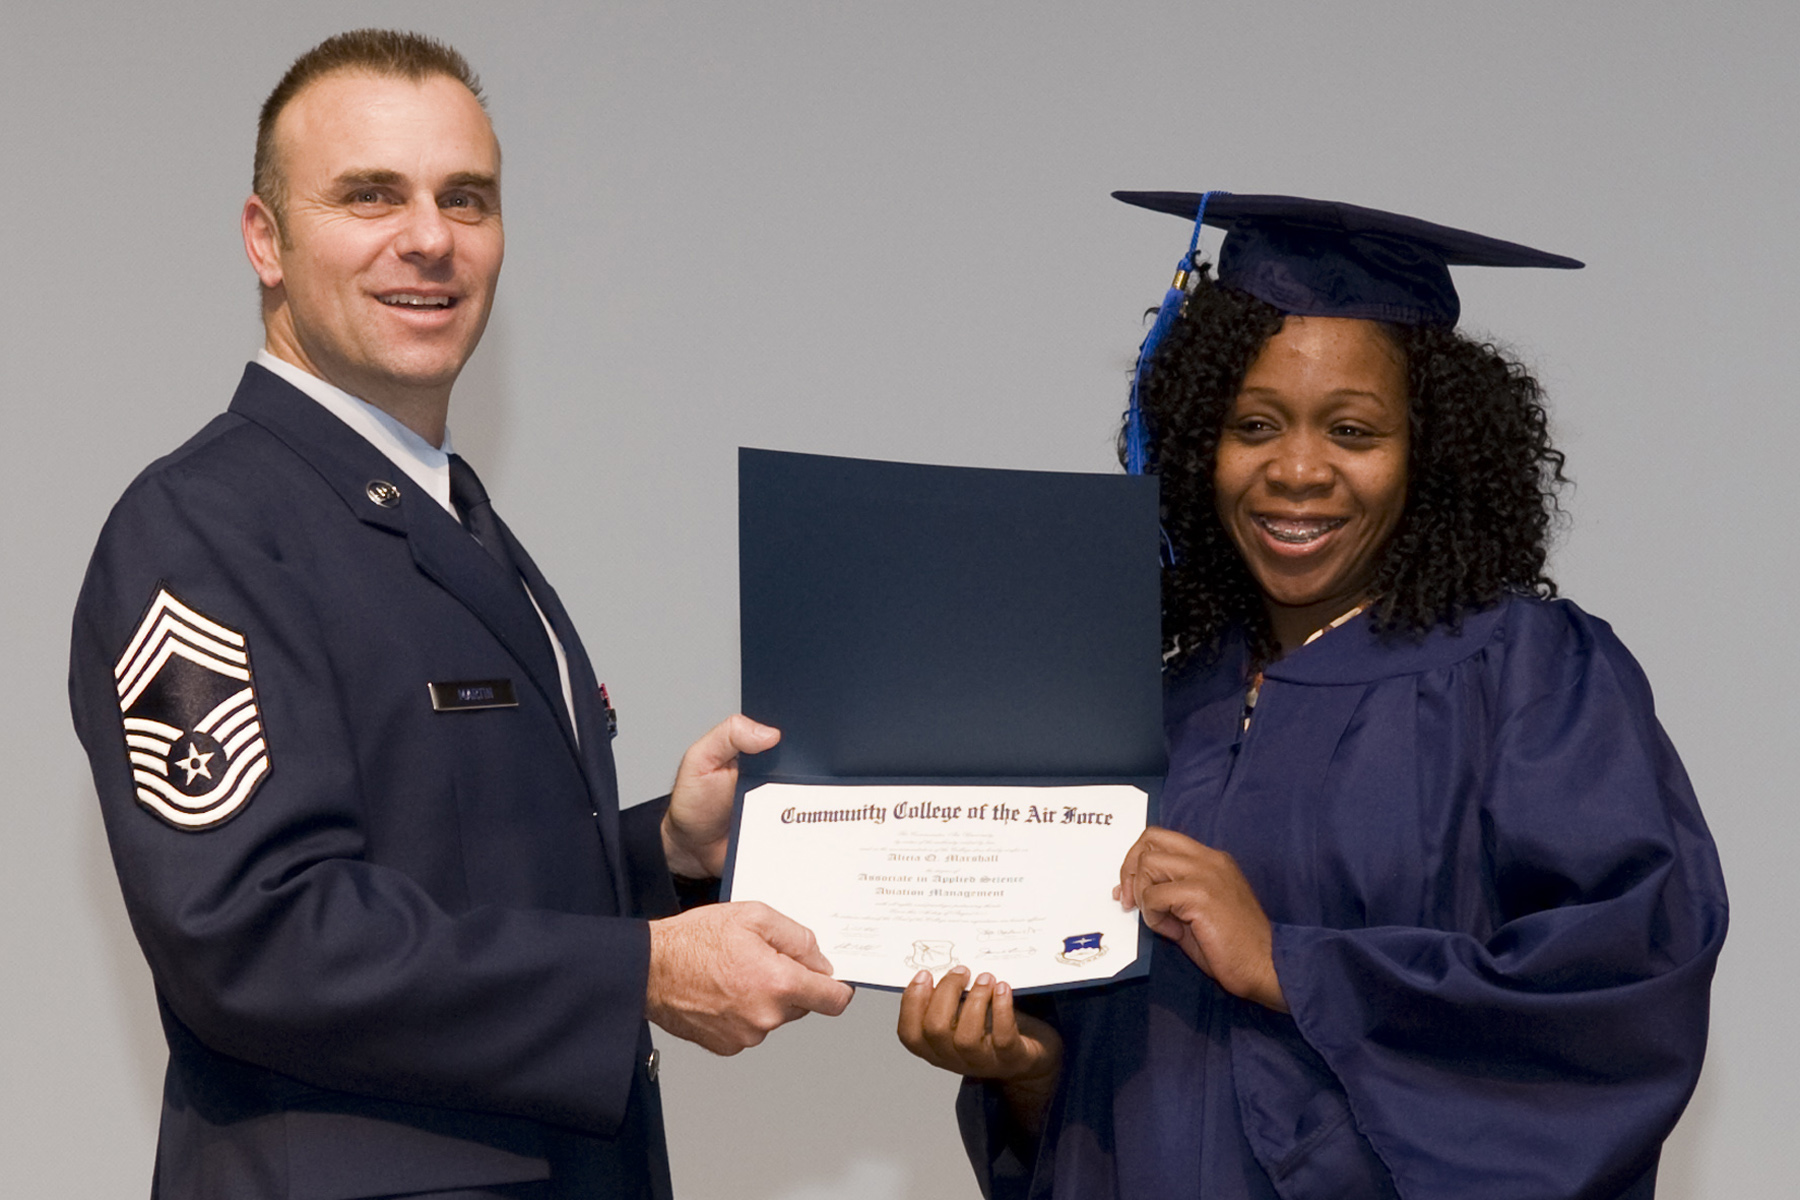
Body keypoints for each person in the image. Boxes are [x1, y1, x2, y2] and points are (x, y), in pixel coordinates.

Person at [68, 29, 852, 1200]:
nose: (429, 237)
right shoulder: (201, 529)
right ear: (265, 241)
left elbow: (458, 867)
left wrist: (663, 852)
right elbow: (256, 934)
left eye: (466, 198)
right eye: (370, 195)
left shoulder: (445, 510)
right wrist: (637, 970)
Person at [897, 192, 1727, 1198]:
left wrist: (1290, 963)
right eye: (1256, 425)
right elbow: (1112, 1108)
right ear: (1203, 445)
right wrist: (1027, 1077)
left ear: (1430, 453)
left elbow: (1618, 997)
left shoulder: (1528, 679)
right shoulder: (1147, 714)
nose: (1297, 470)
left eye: (1352, 430)